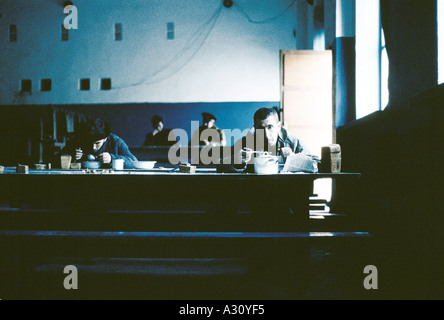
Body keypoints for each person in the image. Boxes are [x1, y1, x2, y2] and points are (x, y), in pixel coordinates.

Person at [232, 107, 311, 172]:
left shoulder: (295, 142)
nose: (266, 134)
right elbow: (220, 165)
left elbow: (314, 167)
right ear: (255, 128)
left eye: (270, 127)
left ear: (278, 126)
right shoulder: (244, 143)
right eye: (260, 128)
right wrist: (237, 160)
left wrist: (293, 159)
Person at [63, 119, 137, 168]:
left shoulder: (116, 141)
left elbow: (134, 162)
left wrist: (112, 158)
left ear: (105, 138)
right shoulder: (79, 140)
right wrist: (71, 156)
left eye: (97, 143)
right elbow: (56, 158)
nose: (93, 147)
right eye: (89, 143)